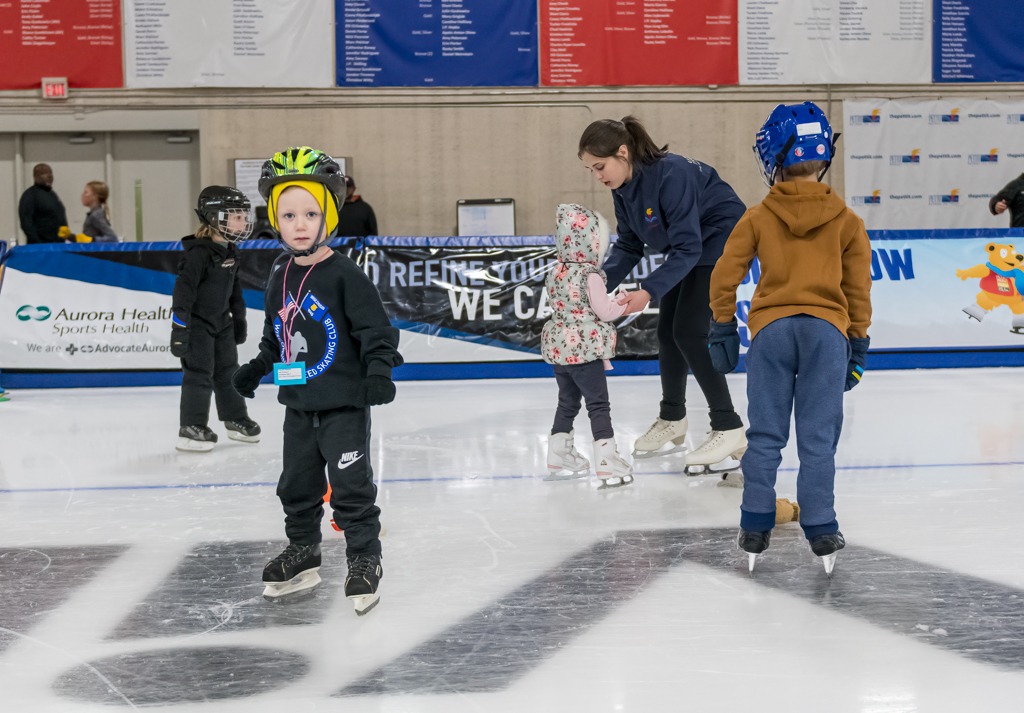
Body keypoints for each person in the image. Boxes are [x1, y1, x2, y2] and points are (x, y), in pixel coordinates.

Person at [231, 147, 402, 614]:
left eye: (310, 212)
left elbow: (376, 332)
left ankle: (365, 559)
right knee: (297, 484)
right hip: (299, 404)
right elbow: (277, 334)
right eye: (289, 214)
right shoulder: (279, 273)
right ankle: (303, 551)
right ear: (275, 219)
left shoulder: (345, 274)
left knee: (350, 487)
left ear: (328, 214)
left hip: (344, 403)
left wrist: (379, 374)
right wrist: (256, 368)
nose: (300, 223)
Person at [706, 102, 872, 575]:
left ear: (773, 157)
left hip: (772, 332)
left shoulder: (759, 216)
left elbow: (725, 274)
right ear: (824, 157)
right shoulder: (847, 220)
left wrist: (722, 324)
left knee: (765, 435)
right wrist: (857, 341)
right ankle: (821, 528)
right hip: (826, 333)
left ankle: (755, 523)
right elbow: (858, 288)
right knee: (818, 439)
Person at [577, 116, 747, 474]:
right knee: (667, 331)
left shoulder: (672, 176)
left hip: (721, 240)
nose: (597, 176)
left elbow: (688, 248)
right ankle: (673, 417)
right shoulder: (622, 186)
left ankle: (729, 426)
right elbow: (628, 244)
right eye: (591, 170)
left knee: (689, 331)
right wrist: (595, 285)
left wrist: (648, 290)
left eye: (600, 166)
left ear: (623, 152)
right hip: (689, 248)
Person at [542, 203, 633, 489]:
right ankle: (607, 460)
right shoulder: (590, 275)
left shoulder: (555, 272)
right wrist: (622, 303)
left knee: (567, 402)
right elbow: (604, 312)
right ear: (591, 241)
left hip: (560, 349)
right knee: (598, 404)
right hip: (584, 349)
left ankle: (558, 454)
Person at [170, 185, 261, 452]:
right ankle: (191, 426)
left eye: (244, 216)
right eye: (236, 216)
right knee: (199, 374)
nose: (243, 222)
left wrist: (239, 319)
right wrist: (179, 330)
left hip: (222, 324)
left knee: (228, 372)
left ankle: (235, 418)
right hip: (198, 326)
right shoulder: (198, 255)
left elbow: (235, 290)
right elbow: (182, 296)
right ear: (214, 217)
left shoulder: (231, 251)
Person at [19, 163, 68, 244]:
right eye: (43, 173)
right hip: (40, 247)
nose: (49, 175)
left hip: (58, 245)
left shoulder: (52, 194)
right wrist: (38, 243)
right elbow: (26, 223)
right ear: (35, 176)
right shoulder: (30, 195)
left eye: (50, 172)